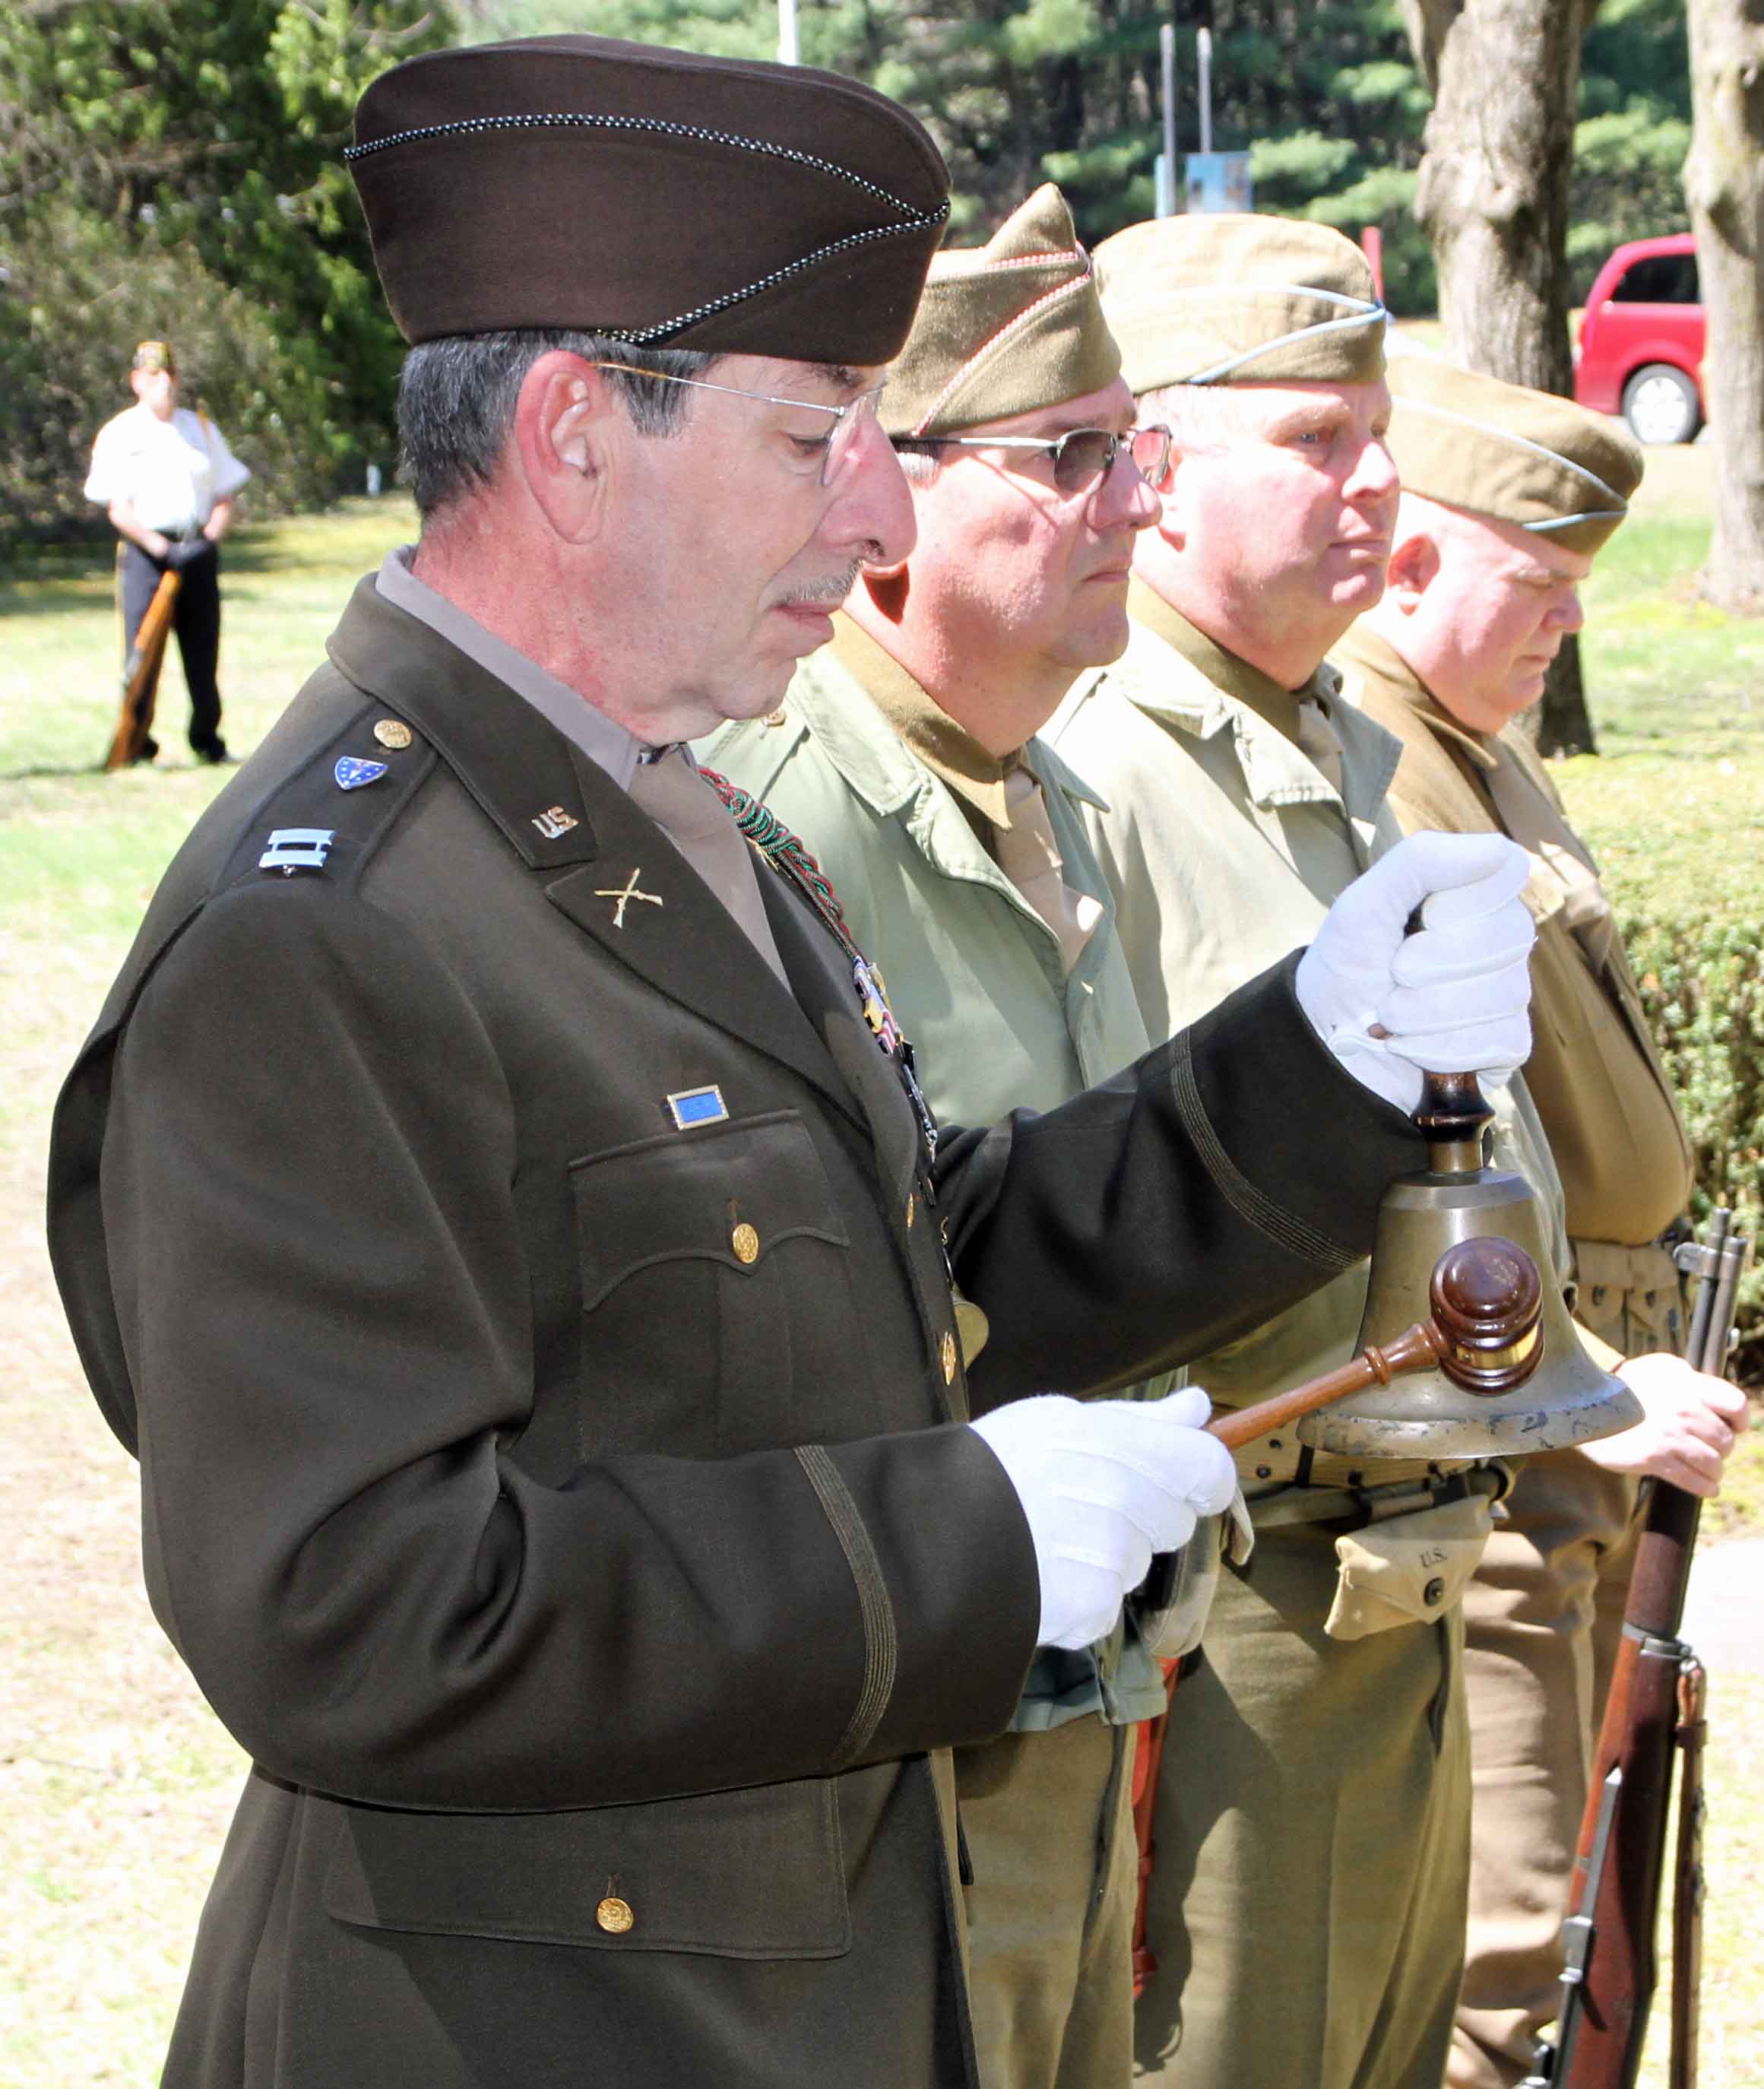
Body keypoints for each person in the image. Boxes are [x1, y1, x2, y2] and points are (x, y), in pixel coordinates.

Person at [44, 38, 1538, 2089]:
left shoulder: (668, 812)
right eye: (818, 427)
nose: (885, 500)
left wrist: (1315, 1063)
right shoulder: (331, 925)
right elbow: (352, 1607)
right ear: (575, 435)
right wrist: (960, 1546)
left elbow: (911, 1274)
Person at [1043, 213, 1582, 2089]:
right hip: (1235, 1606)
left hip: (1402, 1577)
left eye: (1378, 436)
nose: (1374, 487)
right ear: (1159, 465)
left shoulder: (1342, 737)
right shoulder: (1096, 761)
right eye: (1313, 439)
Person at [708, 184, 1200, 2089]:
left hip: (1084, 1706)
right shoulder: (766, 817)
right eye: (1067, 458)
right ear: (890, 498)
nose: (1129, 501)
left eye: (1129, 449)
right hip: (894, 1747)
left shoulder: (1065, 804)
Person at [1331, 354, 1750, 2089]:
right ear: (1413, 561)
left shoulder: (1475, 761)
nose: (1565, 623)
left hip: (1581, 1417)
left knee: (1579, 1907)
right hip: (1520, 1429)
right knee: (1506, 1951)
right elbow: (1425, 1153)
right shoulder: (1380, 772)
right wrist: (1577, 1375)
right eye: (1536, 581)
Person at [84, 339, 248, 763]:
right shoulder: (120, 433)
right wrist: (159, 547)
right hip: (146, 553)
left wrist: (209, 538)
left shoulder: (201, 429)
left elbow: (225, 492)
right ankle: (136, 743)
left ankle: (207, 740)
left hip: (197, 549)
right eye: (155, 374)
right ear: (136, 381)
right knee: (142, 655)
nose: (166, 383)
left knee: (203, 653)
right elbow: (118, 509)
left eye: (171, 374)